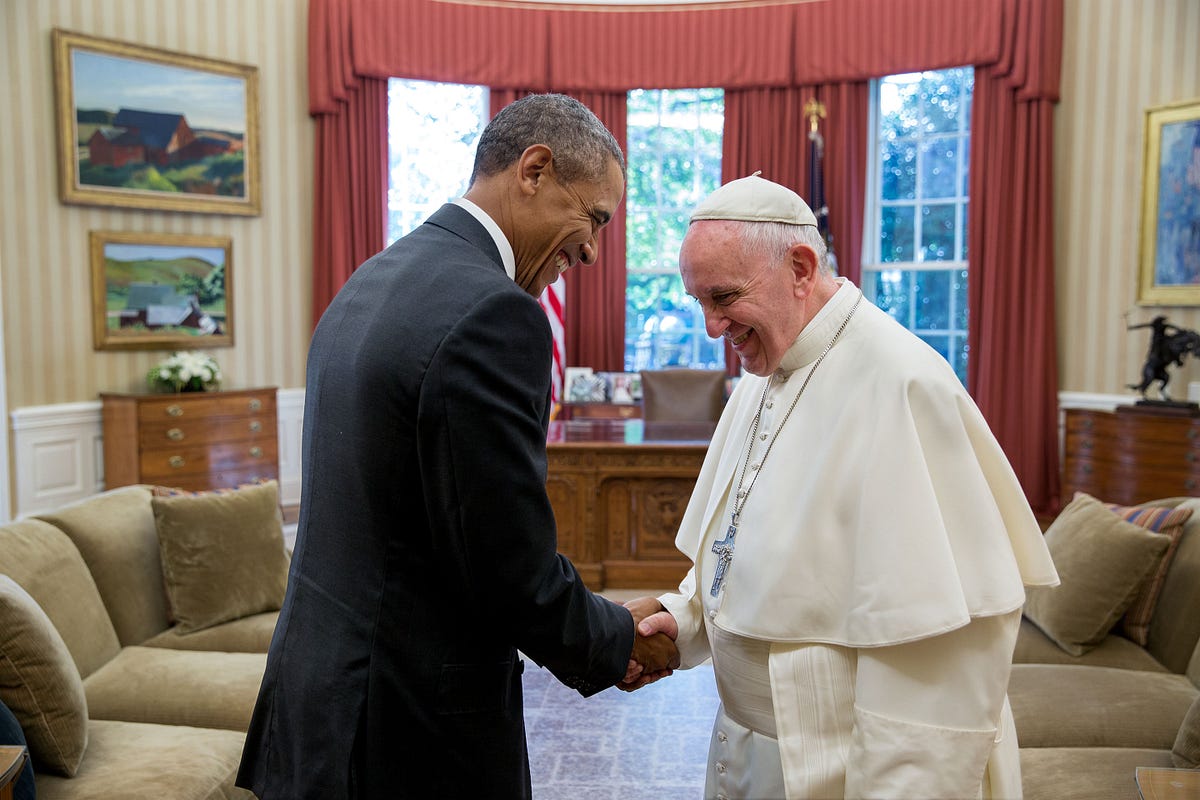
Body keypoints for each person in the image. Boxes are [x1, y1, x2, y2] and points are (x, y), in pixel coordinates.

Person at [237, 94, 678, 800]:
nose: (594, 248)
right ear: (534, 170)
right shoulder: (494, 313)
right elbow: (505, 566)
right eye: (594, 216)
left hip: (318, 701)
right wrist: (615, 639)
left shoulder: (372, 278)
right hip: (405, 730)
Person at [625, 174, 1059, 799]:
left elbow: (931, 656)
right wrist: (685, 615)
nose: (713, 328)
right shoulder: (763, 373)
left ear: (800, 267)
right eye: (700, 302)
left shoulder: (902, 383)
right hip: (751, 751)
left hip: (838, 766)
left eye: (724, 297)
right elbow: (740, 538)